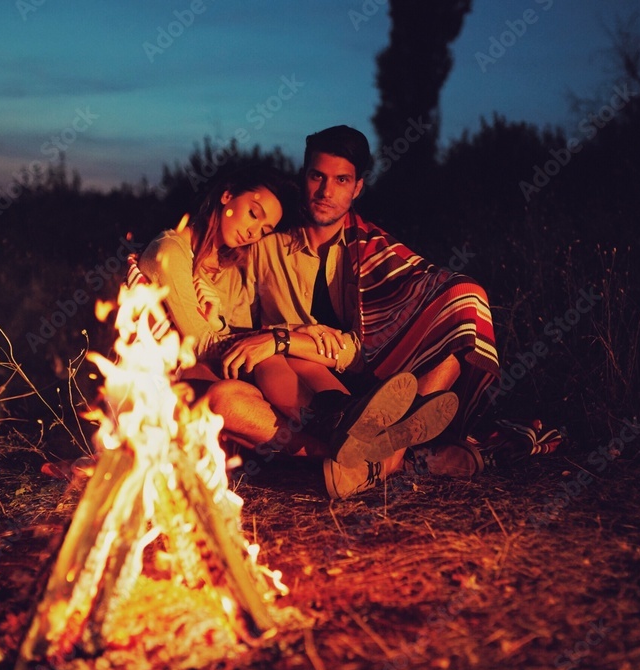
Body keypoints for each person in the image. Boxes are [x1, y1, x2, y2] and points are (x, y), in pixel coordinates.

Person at [216, 125, 557, 499]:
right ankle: (377, 456)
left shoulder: (371, 249)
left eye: (341, 180)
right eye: (318, 176)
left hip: (376, 393)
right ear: (304, 176)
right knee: (224, 402)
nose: (326, 192)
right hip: (291, 391)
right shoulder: (266, 243)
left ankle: (386, 449)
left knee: (463, 299)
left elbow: (363, 351)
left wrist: (285, 338)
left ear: (357, 187)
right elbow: (220, 304)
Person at [134, 166, 456, 469]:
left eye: (264, 229)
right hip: (182, 385)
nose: (252, 232)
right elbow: (203, 343)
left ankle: (355, 419)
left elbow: (245, 331)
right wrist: (282, 336)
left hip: (227, 376)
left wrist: (294, 335)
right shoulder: (170, 252)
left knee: (290, 353)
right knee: (263, 360)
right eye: (253, 214)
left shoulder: (229, 263)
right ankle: (341, 446)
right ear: (227, 195)